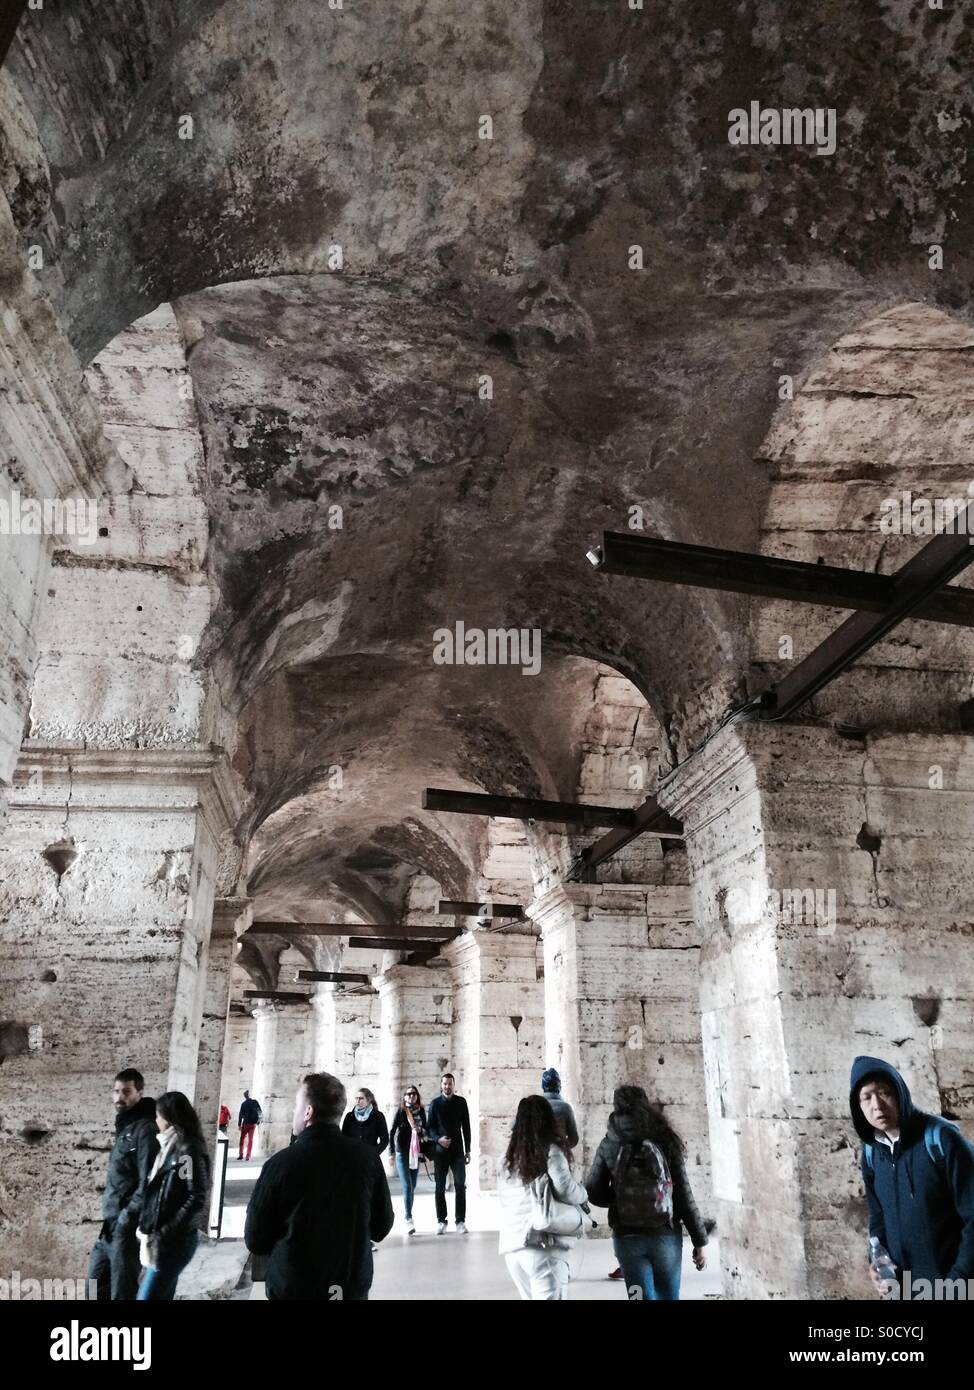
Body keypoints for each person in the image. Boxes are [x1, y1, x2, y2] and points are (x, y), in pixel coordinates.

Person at [244, 1072, 394, 1300]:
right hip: (347, 1288)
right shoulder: (367, 1159)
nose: (294, 1111)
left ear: (308, 1112)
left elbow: (255, 1238)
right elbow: (381, 1226)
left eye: (297, 1105)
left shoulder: (280, 1164)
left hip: (295, 1287)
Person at [851, 1055, 974, 1298]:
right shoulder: (871, 1152)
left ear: (900, 1093)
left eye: (884, 1093)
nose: (877, 1105)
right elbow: (878, 1218)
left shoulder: (941, 1139)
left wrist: (956, 1281)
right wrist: (876, 1261)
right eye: (866, 1097)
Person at [586, 1085, 708, 1301]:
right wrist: (699, 1241)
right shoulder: (665, 1140)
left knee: (639, 1297)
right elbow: (683, 1194)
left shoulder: (609, 1143)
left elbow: (593, 1191)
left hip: (627, 1237)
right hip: (665, 1234)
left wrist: (620, 1199)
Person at [498, 1095, 588, 1300]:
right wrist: (583, 1192)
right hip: (542, 1246)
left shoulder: (506, 1158)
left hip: (513, 1247)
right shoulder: (550, 1152)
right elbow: (566, 1189)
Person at [87, 1068, 157, 1300]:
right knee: (94, 1290)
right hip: (109, 1227)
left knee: (122, 1294)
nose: (119, 1097)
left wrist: (127, 1218)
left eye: (126, 1091)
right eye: (116, 1091)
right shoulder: (125, 1126)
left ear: (139, 1092)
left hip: (125, 1231)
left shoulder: (145, 1129)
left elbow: (149, 1182)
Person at [134, 1091, 211, 1301]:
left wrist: (167, 1230)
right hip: (166, 1238)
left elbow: (196, 1196)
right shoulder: (171, 1147)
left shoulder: (187, 1149)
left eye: (158, 1116)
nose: (155, 1121)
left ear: (168, 1119)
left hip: (174, 1241)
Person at [427, 1073, 472, 1234]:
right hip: (440, 1152)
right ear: (441, 1085)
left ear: (454, 1085)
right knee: (440, 1187)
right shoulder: (434, 1104)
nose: (447, 1086)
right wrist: (438, 1139)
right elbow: (429, 1128)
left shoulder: (461, 1102)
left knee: (460, 1185)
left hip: (458, 1151)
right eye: (445, 1084)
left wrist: (468, 1150)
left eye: (450, 1084)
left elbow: (466, 1127)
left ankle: (460, 1221)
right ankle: (441, 1221)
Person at [388, 1086, 429, 1234]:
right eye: (408, 1094)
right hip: (402, 1152)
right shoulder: (401, 1111)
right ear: (404, 1097)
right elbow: (392, 1131)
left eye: (414, 1094)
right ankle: (408, 1218)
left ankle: (408, 1215)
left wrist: (421, 1131)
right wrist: (391, 1152)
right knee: (407, 1185)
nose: (411, 1096)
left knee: (413, 1185)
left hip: (416, 1152)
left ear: (417, 1096)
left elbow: (426, 1129)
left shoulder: (421, 1111)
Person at [341, 1087, 390, 1156]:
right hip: (352, 1158)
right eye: (356, 1098)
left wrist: (374, 1153)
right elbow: (344, 1138)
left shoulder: (378, 1116)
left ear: (368, 1100)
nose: (358, 1101)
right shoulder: (349, 1117)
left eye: (361, 1098)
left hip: (370, 1160)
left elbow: (385, 1140)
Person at [539, 1067, 579, 1148]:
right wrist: (561, 1148)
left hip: (535, 1155)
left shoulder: (534, 1104)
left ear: (543, 1086)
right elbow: (574, 1139)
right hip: (558, 1155)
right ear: (559, 1086)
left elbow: (513, 1126)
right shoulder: (565, 1108)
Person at [238, 1090, 262, 1160]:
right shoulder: (255, 1102)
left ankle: (241, 1154)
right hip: (253, 1124)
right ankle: (248, 1155)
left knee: (242, 1139)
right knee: (250, 1140)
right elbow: (260, 1111)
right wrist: (258, 1121)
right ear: (249, 1095)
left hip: (245, 1124)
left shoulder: (243, 1104)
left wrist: (239, 1124)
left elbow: (240, 1115)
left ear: (245, 1096)